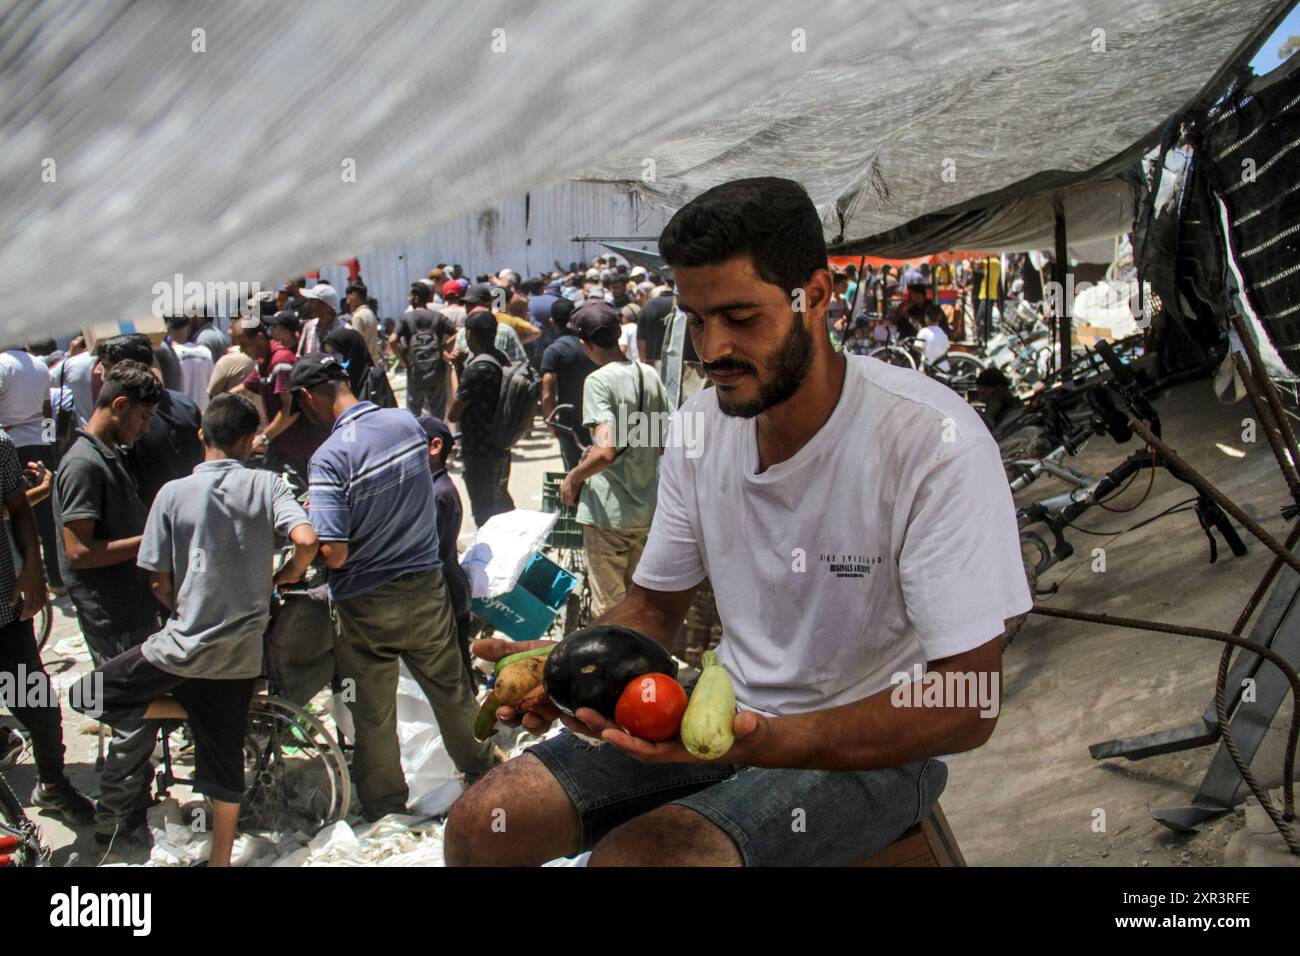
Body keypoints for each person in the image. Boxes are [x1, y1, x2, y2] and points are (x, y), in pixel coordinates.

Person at [447, 177, 1029, 868]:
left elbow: (969, 702)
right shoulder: (699, 429)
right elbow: (656, 607)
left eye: (740, 317)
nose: (711, 348)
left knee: (639, 862)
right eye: (695, 319)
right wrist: (577, 667)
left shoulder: (930, 441)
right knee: (484, 823)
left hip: (876, 751)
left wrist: (764, 741)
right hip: (723, 712)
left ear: (815, 296)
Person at [70, 393, 319, 866]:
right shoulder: (267, 485)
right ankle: (221, 859)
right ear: (249, 441)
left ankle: (183, 709)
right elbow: (306, 539)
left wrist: (182, 604)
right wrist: (285, 575)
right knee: (224, 768)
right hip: (240, 658)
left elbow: (158, 579)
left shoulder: (171, 494)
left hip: (180, 647)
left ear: (202, 436)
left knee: (88, 694)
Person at [291, 353, 493, 817]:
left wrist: (308, 529)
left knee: (374, 714)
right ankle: (484, 773)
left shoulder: (329, 457)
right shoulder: (406, 425)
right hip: (426, 586)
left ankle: (384, 805)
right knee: (452, 691)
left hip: (365, 602)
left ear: (307, 397)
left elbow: (335, 552)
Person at [54, 361, 168, 852]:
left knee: (142, 710)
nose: (144, 429)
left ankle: (133, 808)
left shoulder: (110, 453)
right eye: (142, 418)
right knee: (132, 716)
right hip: (109, 609)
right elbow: (78, 551)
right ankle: (115, 823)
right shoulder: (83, 464)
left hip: (129, 601)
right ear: (119, 405)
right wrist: (149, 541)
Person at [0, 428, 96, 822]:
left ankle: (53, 783)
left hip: (4, 612)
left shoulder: (0, 444)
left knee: (35, 701)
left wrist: (34, 571)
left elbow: (18, 506)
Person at [558, 302, 669, 617]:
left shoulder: (598, 381)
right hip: (646, 509)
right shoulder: (649, 374)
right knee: (637, 603)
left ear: (586, 344)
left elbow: (605, 451)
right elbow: (665, 442)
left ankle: (617, 664)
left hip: (609, 515)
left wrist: (573, 477)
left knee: (609, 610)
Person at [97, 334, 204, 507]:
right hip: (192, 504)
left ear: (124, 369)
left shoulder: (127, 418)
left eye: (105, 366)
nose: (99, 373)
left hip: (151, 517)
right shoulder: (186, 404)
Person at [417, 415, 476, 684]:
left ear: (434, 446)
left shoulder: (437, 493)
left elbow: (429, 554)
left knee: (456, 675)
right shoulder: (432, 488)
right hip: (446, 591)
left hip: (445, 595)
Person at [234, 317, 322, 487]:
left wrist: (264, 438)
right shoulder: (262, 362)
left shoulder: (281, 362)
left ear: (260, 337)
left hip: (299, 449)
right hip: (281, 446)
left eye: (244, 344)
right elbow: (244, 388)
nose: (242, 350)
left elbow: (291, 410)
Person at [0, 343, 61, 589]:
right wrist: (49, 442)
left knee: (14, 514)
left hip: (11, 446)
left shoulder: (3, 364)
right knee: (46, 517)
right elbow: (48, 409)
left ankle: (22, 575)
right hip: (39, 444)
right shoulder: (38, 364)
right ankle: (56, 579)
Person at [447, 311, 515, 527]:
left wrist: (453, 370)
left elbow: (454, 413)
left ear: (469, 335)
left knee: (484, 513)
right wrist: (460, 368)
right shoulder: (500, 358)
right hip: (501, 445)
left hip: (479, 450)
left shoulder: (477, 369)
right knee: (501, 500)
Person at [540, 299, 597, 471]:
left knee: (573, 469)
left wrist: (551, 423)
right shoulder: (591, 345)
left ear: (552, 321)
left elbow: (547, 394)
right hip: (595, 414)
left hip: (568, 420)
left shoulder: (554, 351)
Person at [393, 282, 457, 418]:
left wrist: (403, 361)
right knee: (438, 412)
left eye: (410, 295)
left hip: (414, 371)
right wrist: (444, 347)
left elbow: (392, 340)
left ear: (416, 297)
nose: (408, 298)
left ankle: (417, 437)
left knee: (413, 412)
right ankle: (437, 437)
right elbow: (458, 331)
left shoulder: (407, 317)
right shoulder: (437, 317)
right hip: (436, 370)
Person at [323, 326, 396, 408]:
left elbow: (389, 410)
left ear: (350, 350)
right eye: (327, 353)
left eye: (334, 352)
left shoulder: (374, 377)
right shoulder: (335, 381)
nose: (331, 358)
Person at [165, 315, 215, 412]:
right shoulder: (205, 352)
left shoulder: (170, 355)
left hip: (181, 412)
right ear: (188, 327)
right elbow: (213, 385)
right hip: (205, 411)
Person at [296, 283, 345, 356]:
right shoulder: (309, 326)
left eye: (312, 301)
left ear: (324, 306)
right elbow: (300, 356)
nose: (308, 304)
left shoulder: (344, 330)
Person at [636, 282, 676, 366]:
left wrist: (643, 364)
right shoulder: (680, 304)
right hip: (679, 361)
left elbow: (641, 341)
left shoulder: (647, 307)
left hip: (654, 363)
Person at [975, 367, 1025, 433]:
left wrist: (990, 416)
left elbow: (996, 435)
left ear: (999, 390)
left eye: (983, 393)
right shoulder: (996, 411)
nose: (980, 399)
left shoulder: (1016, 412)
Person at [346, 282, 384, 368]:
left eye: (348, 296)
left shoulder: (358, 316)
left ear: (354, 295)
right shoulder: (370, 313)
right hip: (374, 361)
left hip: (364, 364)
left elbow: (356, 344)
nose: (347, 300)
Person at [916, 304, 951, 372]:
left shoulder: (923, 332)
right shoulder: (943, 333)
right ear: (940, 317)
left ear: (926, 317)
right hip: (944, 368)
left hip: (928, 369)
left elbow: (918, 349)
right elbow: (947, 349)